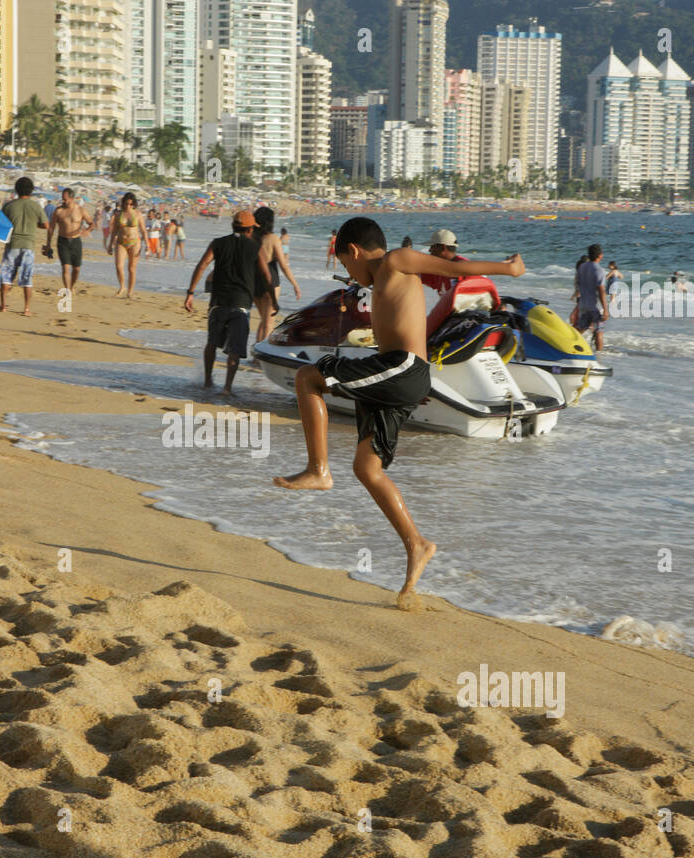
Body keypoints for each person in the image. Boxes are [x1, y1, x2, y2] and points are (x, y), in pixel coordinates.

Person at [272, 216, 525, 608]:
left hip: (404, 368)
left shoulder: (395, 261)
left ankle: (318, 470)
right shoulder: (385, 277)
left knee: (308, 377)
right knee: (366, 468)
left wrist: (508, 269)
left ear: (353, 251)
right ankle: (418, 544)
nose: (349, 274)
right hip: (395, 371)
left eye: (345, 265)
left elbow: (455, 268)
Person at [182, 210, 272, 395]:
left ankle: (207, 381)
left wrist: (190, 293)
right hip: (241, 304)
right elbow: (266, 275)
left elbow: (202, 265)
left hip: (218, 301)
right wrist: (274, 300)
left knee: (212, 342)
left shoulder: (218, 243)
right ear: (249, 230)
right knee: (236, 348)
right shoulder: (254, 247)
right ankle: (227, 388)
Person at [0, 176, 46, 315]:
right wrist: (32, 224)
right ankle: (26, 308)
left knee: (6, 276)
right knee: (27, 277)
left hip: (12, 244)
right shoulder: (36, 206)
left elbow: (3, 223)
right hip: (28, 245)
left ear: (16, 190)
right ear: (31, 191)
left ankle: (3, 305)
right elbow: (45, 224)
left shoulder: (9, 205)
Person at [251, 207, 300, 342]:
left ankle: (255, 355)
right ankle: (259, 356)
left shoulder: (251, 237)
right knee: (268, 323)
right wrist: (295, 284)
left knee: (263, 321)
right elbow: (283, 265)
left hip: (254, 282)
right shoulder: (273, 238)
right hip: (271, 280)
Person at [43, 186, 93, 296]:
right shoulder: (58, 211)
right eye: (62, 199)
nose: (63, 201)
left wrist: (87, 230)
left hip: (76, 241)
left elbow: (91, 223)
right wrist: (48, 244)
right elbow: (51, 228)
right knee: (65, 267)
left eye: (65, 199)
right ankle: (67, 290)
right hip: (62, 241)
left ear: (72, 198)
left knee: (76, 269)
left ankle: (72, 286)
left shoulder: (80, 210)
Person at [108, 192, 144, 299]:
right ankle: (122, 287)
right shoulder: (118, 214)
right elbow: (114, 231)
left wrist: (147, 245)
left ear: (133, 204)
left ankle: (130, 292)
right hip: (121, 242)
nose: (128, 206)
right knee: (119, 266)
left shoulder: (137, 214)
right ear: (123, 203)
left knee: (131, 269)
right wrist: (110, 245)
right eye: (126, 204)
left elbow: (143, 229)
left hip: (135, 243)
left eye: (130, 204)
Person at [575, 244, 608, 351]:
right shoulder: (600, 270)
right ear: (600, 255)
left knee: (579, 330)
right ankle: (599, 356)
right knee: (599, 331)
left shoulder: (582, 267)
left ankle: (571, 347)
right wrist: (606, 309)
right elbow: (601, 290)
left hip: (584, 306)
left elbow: (578, 285)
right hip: (596, 308)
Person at [421, 229, 469, 296]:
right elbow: (418, 275)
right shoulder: (440, 269)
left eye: (432, 246)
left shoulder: (462, 268)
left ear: (442, 247)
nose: (430, 250)